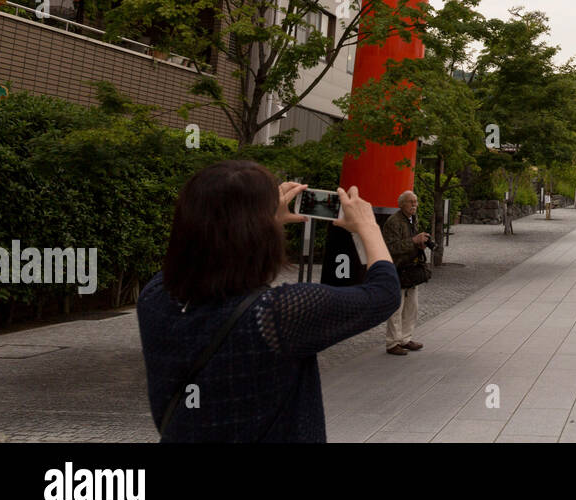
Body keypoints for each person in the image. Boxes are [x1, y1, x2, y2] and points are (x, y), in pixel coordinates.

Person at [137, 160, 400, 442]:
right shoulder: (275, 315)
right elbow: (384, 292)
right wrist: (368, 226)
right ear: (260, 234)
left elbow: (201, 247)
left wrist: (259, 216)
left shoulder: (154, 297)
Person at [382, 190, 434, 356]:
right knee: (397, 308)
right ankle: (392, 342)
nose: (414, 205)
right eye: (410, 202)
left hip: (411, 269)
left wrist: (420, 244)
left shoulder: (412, 219)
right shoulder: (393, 221)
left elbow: (409, 243)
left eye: (416, 202)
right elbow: (391, 248)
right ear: (401, 204)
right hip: (398, 269)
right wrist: (413, 241)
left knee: (412, 307)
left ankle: (405, 338)